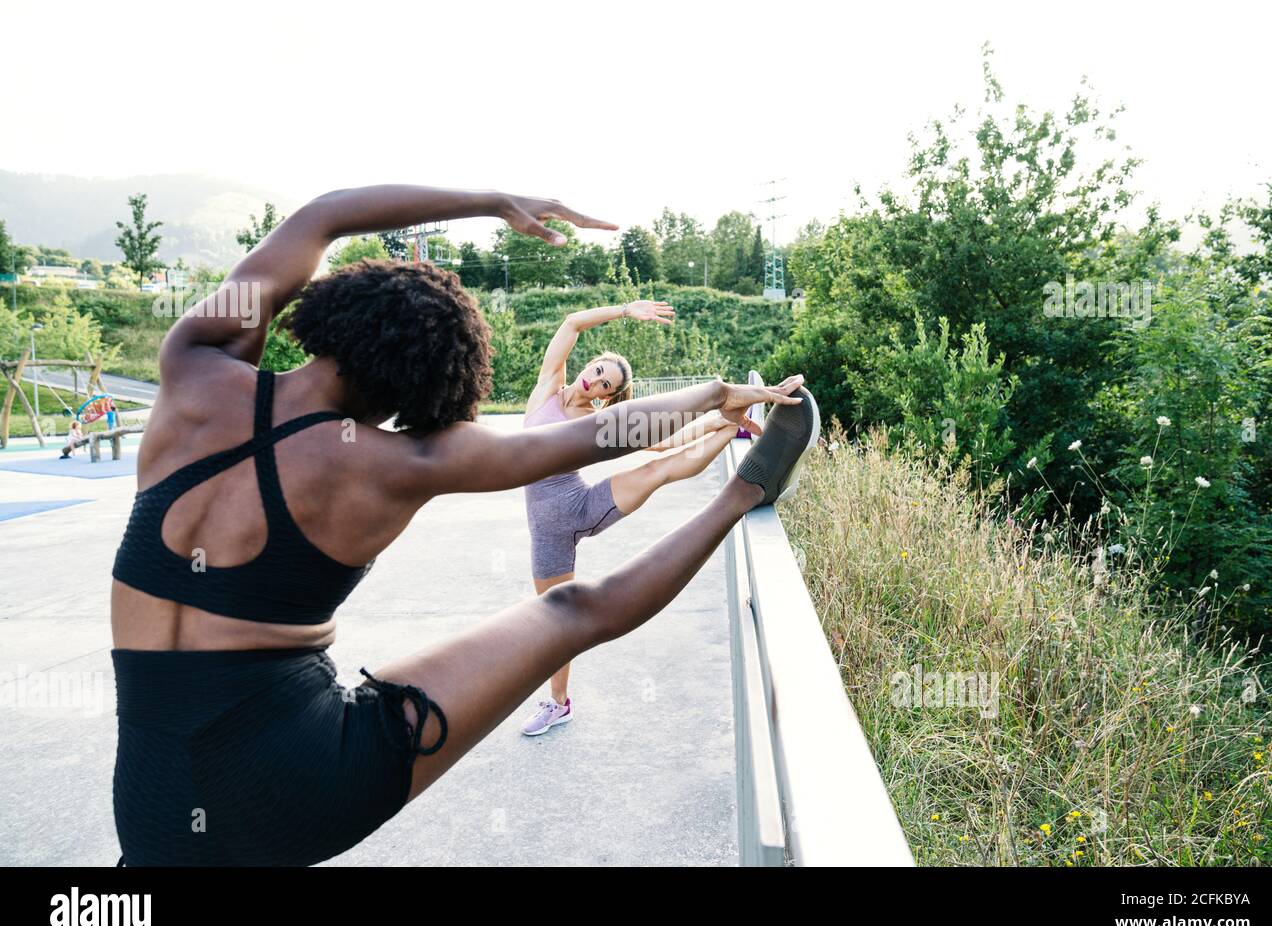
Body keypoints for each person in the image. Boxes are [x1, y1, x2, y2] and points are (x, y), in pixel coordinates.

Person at [109, 183, 816, 866]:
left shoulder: (193, 364)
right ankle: (744, 491)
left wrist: (489, 201)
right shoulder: (403, 461)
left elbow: (322, 217)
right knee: (571, 610)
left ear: (339, 307)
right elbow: (599, 437)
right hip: (296, 780)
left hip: (148, 809)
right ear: (428, 393)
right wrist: (721, 394)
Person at [519, 301, 743, 736]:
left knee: (656, 470)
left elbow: (662, 444)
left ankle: (734, 426)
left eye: (606, 382)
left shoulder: (600, 420)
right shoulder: (548, 387)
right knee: (556, 620)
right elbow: (571, 323)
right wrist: (625, 310)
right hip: (546, 532)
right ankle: (560, 704)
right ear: (591, 362)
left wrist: (717, 420)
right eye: (599, 368)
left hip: (581, 508)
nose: (597, 378)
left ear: (607, 396)